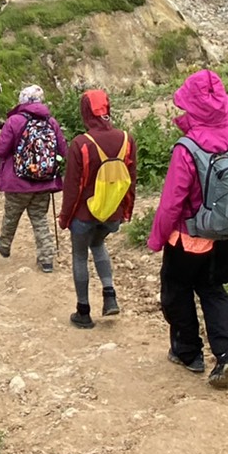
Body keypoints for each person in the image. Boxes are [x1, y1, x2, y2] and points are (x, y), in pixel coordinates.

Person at [147, 69, 228, 389]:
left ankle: (188, 352)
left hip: (189, 238)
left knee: (176, 291)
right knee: (213, 291)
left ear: (193, 107)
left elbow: (172, 202)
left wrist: (157, 238)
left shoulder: (186, 148)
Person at [58, 90, 136, 329]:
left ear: (85, 112)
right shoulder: (126, 139)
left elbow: (72, 187)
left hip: (84, 214)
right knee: (99, 245)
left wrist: (65, 217)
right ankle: (109, 294)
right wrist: (126, 211)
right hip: (111, 213)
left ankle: (84, 311)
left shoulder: (81, 143)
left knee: (80, 255)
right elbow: (132, 179)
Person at [0, 84, 66, 273]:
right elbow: (62, 151)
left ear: (22, 101)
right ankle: (46, 260)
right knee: (39, 219)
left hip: (17, 182)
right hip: (44, 181)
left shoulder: (14, 121)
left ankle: (4, 246)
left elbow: (0, 149)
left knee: (11, 216)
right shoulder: (51, 122)